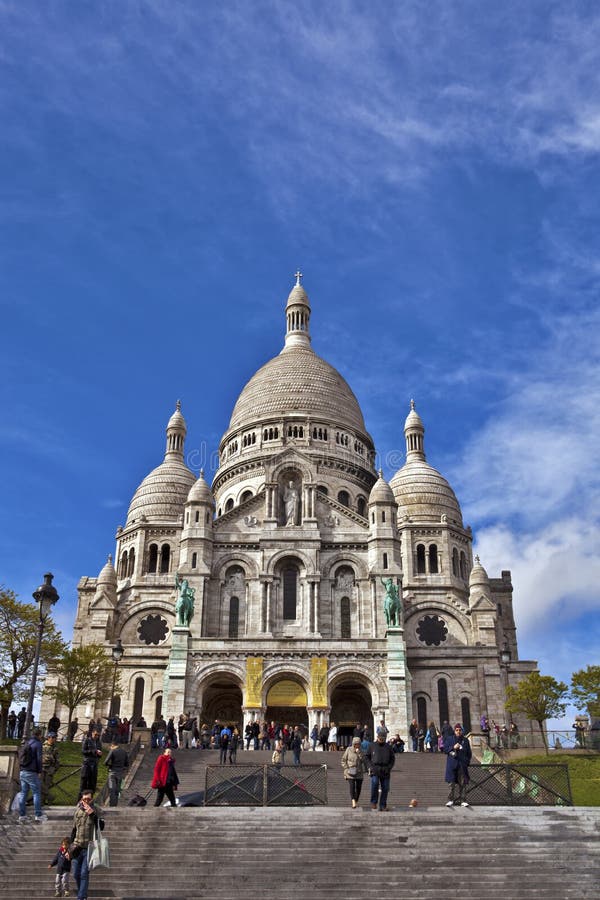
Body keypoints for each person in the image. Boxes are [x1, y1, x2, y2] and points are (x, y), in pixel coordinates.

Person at [69, 789, 104, 900]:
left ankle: (81, 897)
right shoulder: (78, 810)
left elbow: (102, 826)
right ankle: (83, 894)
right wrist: (68, 848)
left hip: (89, 847)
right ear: (81, 799)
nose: (86, 801)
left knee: (84, 873)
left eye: (89, 799)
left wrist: (93, 815)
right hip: (77, 847)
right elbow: (74, 829)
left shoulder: (96, 810)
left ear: (92, 799)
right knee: (76, 874)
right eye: (84, 799)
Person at [18, 727, 47, 823]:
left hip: (23, 771)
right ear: (39, 735)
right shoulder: (38, 744)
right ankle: (38, 815)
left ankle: (22, 815)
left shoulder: (27, 742)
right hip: (31, 771)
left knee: (23, 793)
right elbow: (39, 759)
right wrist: (39, 771)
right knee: (36, 793)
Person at [365, 730, 395, 811]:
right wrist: (370, 767)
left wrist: (389, 767)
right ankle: (373, 802)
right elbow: (367, 757)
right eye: (380, 738)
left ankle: (382, 805)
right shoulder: (372, 745)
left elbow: (392, 758)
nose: (381, 740)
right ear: (377, 737)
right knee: (374, 784)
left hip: (385, 769)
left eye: (383, 738)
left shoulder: (388, 747)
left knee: (385, 788)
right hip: (375, 768)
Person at [444, 723, 472, 807]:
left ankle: (463, 800)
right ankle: (450, 800)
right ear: (454, 731)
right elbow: (445, 749)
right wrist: (453, 747)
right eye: (457, 730)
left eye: (460, 730)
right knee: (451, 783)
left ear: (462, 731)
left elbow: (469, 753)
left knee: (462, 783)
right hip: (452, 764)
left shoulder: (465, 740)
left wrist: (466, 762)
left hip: (462, 764)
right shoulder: (450, 739)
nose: (458, 731)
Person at [341, 735, 368, 808]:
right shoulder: (348, 749)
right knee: (352, 786)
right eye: (356, 744)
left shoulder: (362, 750)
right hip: (350, 771)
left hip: (359, 772)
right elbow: (343, 760)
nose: (357, 745)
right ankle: (353, 800)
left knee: (358, 788)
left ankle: (356, 800)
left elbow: (364, 760)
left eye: (358, 744)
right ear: (353, 744)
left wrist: (359, 753)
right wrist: (346, 768)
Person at [104, 740, 129, 806]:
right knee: (117, 790)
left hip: (113, 772)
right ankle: (115, 804)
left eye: (110, 747)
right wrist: (122, 768)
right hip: (120, 773)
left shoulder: (112, 751)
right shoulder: (124, 752)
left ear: (112, 745)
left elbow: (105, 762)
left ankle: (112, 805)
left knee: (112, 789)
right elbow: (127, 764)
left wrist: (110, 765)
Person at [80, 726, 103, 794]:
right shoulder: (87, 740)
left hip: (95, 764)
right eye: (95, 735)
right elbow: (83, 751)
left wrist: (99, 754)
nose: (97, 736)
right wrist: (93, 751)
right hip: (87, 764)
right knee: (83, 784)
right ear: (92, 733)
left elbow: (99, 753)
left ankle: (90, 798)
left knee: (92, 784)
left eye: (98, 735)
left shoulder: (99, 742)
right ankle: (81, 798)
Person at [42, 730, 60, 804]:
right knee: (40, 784)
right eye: (54, 738)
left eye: (55, 738)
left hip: (50, 769)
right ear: (49, 738)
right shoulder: (42, 746)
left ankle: (42, 801)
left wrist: (55, 768)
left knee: (46, 785)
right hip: (41, 768)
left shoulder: (55, 748)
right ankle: (49, 797)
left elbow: (57, 759)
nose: (55, 739)